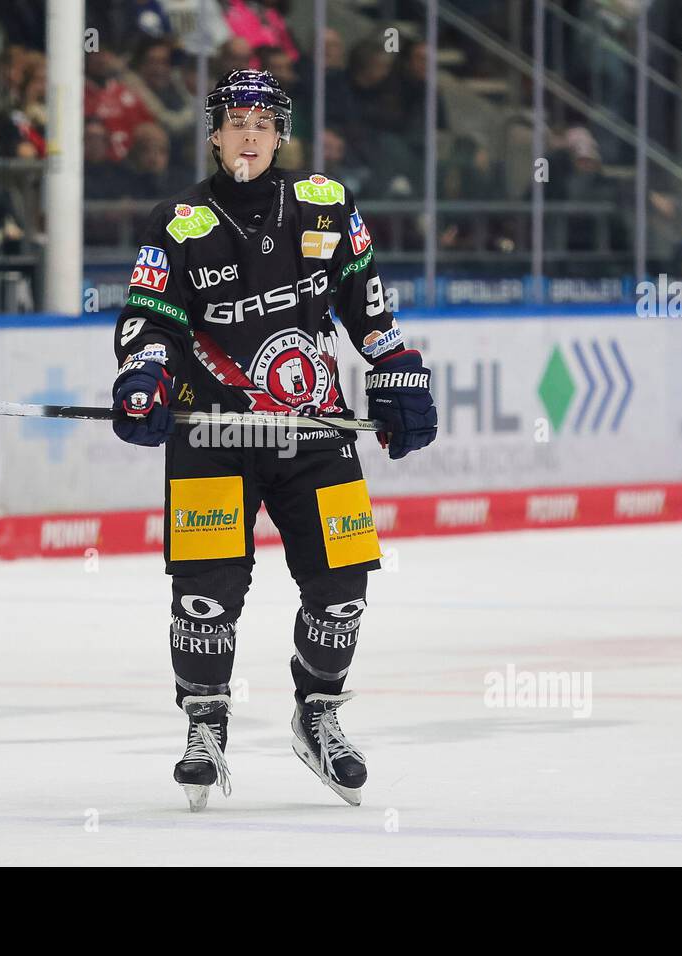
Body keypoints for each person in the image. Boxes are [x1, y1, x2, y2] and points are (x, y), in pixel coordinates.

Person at [109, 70, 437, 811]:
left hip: (313, 428)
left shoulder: (327, 206)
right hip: (213, 432)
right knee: (204, 598)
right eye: (236, 120)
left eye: (264, 121)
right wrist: (144, 376)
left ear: (281, 135)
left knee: (341, 592)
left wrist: (397, 372)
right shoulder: (180, 221)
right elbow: (148, 320)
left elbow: (369, 309)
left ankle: (317, 713)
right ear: (215, 134)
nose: (250, 133)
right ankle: (204, 725)